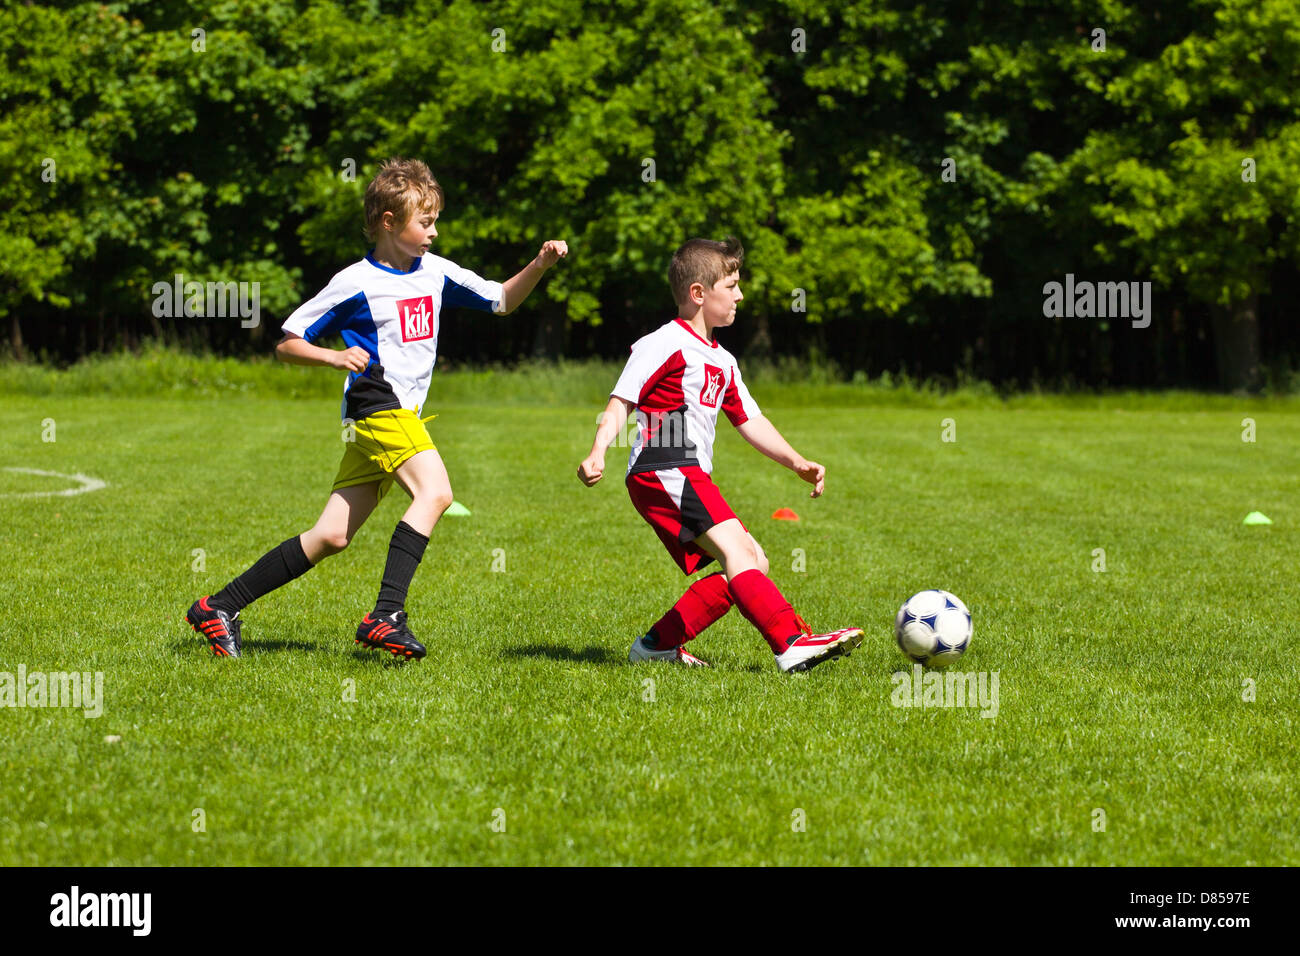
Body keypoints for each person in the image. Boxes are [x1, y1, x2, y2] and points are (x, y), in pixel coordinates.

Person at [186, 157, 567, 659]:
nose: (434, 232)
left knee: (332, 535)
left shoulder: (437, 272)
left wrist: (539, 265)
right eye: (425, 222)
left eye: (435, 221)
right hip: (375, 405)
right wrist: (334, 355)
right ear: (389, 222)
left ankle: (218, 606)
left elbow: (500, 300)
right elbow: (287, 342)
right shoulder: (354, 282)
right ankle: (386, 615)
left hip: (399, 415)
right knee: (435, 492)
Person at [577, 236, 862, 673]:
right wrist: (599, 450)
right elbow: (622, 399)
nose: (740, 295)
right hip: (664, 461)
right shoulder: (663, 342)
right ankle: (791, 641)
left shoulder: (724, 360)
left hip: (687, 470)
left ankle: (657, 645)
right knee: (739, 553)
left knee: (753, 560)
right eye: (731, 286)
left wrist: (797, 461)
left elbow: (750, 420)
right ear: (698, 293)